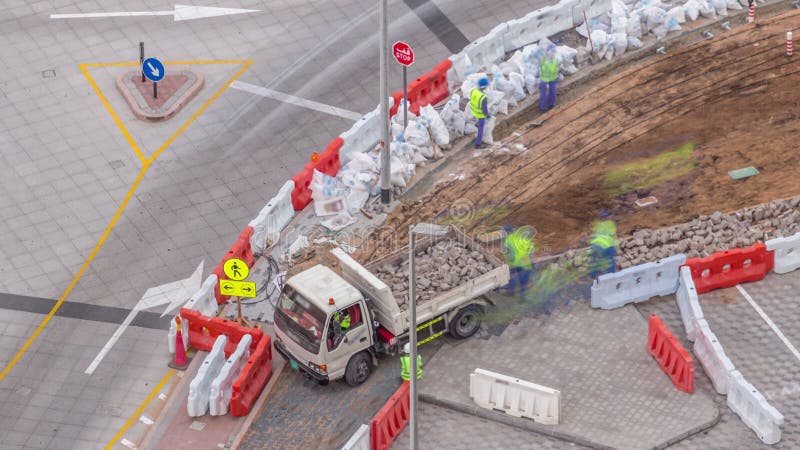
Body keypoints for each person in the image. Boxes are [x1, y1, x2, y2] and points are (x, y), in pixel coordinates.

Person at [502, 226, 535, 298]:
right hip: (525, 263)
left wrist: (508, 262)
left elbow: (506, 253)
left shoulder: (507, 240)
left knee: (512, 277)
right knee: (524, 281)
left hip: (514, 264)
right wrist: (532, 261)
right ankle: (523, 297)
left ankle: (511, 292)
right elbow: (531, 249)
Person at [589, 212, 617, 279]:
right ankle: (611, 275)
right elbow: (612, 235)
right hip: (608, 246)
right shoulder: (611, 224)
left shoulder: (597, 225)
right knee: (610, 260)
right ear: (607, 217)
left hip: (598, 245)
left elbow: (594, 235)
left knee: (595, 260)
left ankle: (593, 274)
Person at [470, 78, 491, 149]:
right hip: (480, 114)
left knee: (478, 123)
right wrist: (487, 115)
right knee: (481, 129)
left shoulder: (474, 90)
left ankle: (477, 124)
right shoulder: (483, 97)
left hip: (473, 110)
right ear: (484, 87)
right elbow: (484, 109)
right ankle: (478, 143)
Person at [539, 44, 559, 112]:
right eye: (551, 51)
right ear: (547, 51)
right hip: (544, 79)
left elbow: (556, 67)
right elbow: (542, 69)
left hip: (552, 78)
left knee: (552, 91)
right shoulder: (543, 59)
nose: (552, 53)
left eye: (554, 52)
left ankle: (551, 104)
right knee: (543, 93)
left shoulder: (555, 58)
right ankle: (543, 107)